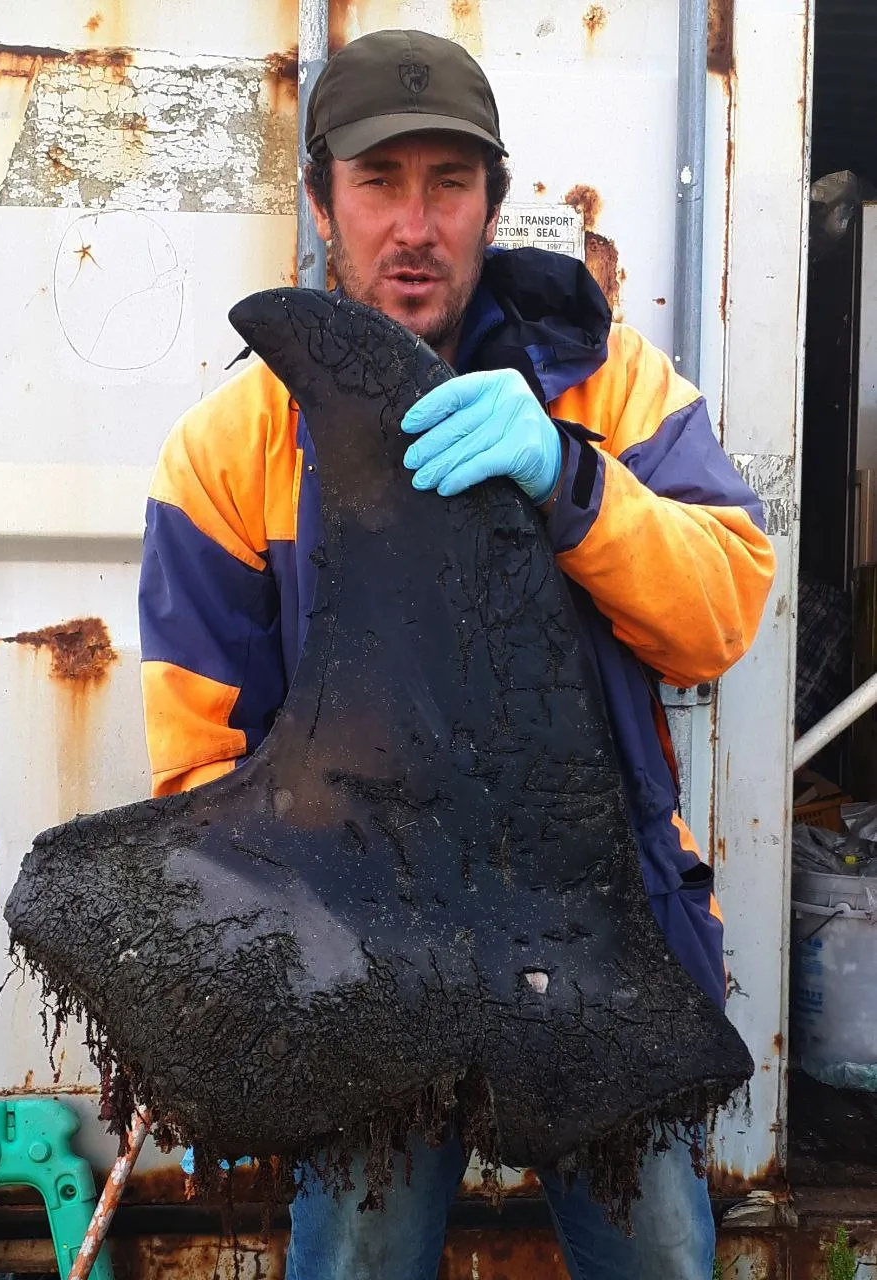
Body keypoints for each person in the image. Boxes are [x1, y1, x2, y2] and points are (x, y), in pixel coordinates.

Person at [137, 28, 775, 1280]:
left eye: (448, 182)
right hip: (361, 950)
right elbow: (197, 772)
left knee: (654, 1250)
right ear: (322, 199)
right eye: (379, 183)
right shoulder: (229, 448)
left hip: (595, 933)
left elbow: (721, 614)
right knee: (360, 1252)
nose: (413, 224)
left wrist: (569, 477)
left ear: (492, 200)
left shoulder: (608, 387)